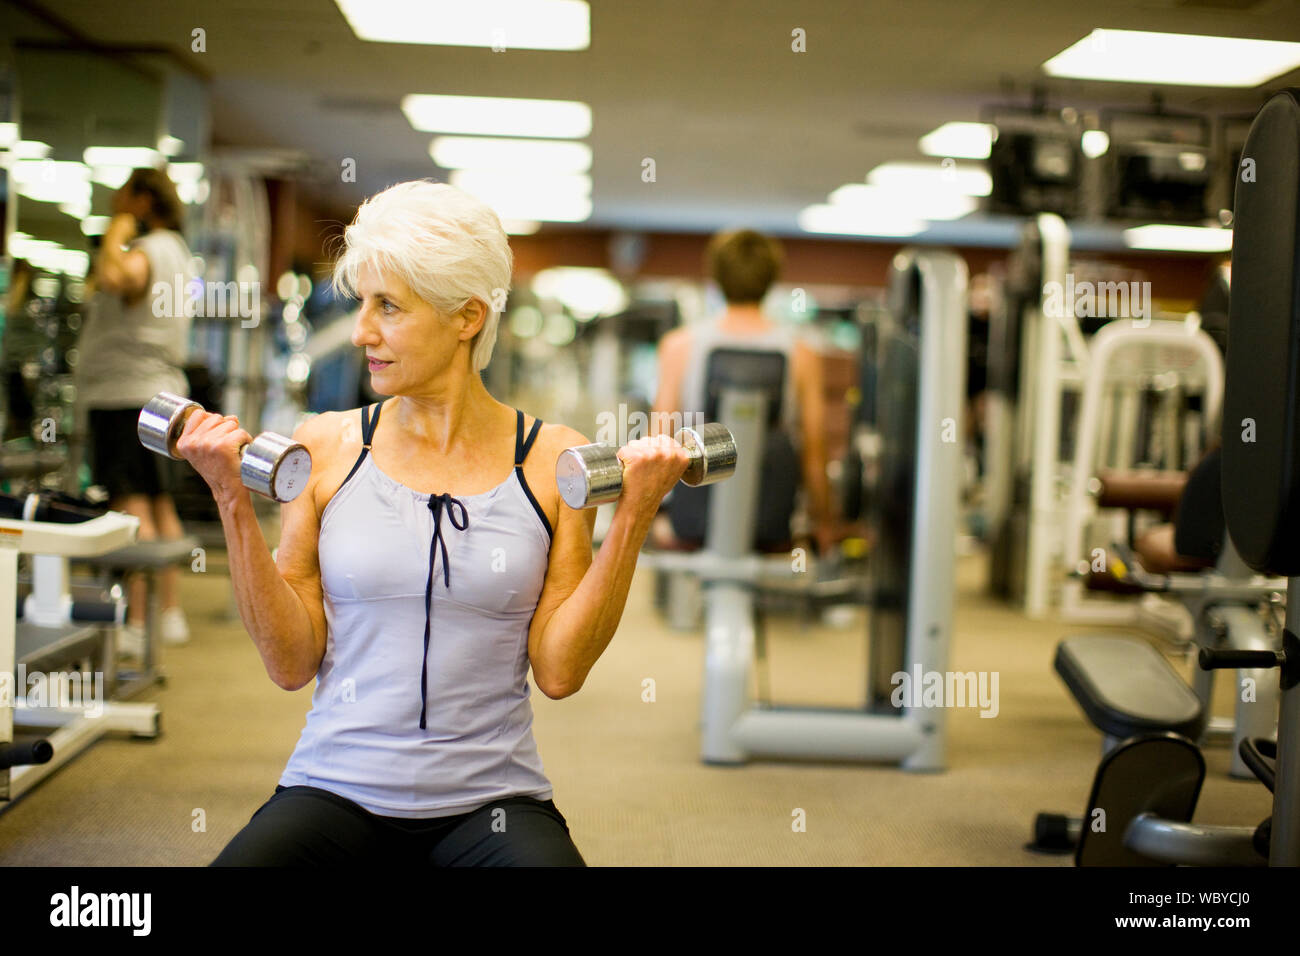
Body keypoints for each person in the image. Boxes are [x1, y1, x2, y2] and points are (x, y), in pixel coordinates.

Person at [189, 181, 689, 866]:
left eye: (388, 307)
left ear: (467, 318)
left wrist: (633, 514)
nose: (362, 331)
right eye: (362, 304)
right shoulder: (325, 448)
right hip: (334, 789)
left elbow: (560, 670)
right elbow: (289, 662)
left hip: (493, 803)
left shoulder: (552, 461)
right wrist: (230, 499)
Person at [651, 228, 835, 555]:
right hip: (771, 524)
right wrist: (824, 524)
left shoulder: (679, 345)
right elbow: (814, 453)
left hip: (693, 523)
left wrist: (647, 517)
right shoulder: (802, 353)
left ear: (716, 276)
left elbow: (657, 444)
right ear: (771, 278)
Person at [76, 167, 196, 650]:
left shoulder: (149, 249)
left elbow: (114, 276)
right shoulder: (180, 253)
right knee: (157, 501)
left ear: (142, 200)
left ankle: (136, 624)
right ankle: (168, 615)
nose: (116, 203)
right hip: (156, 394)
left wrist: (118, 231)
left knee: (133, 505)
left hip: (128, 395)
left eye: (123, 197)